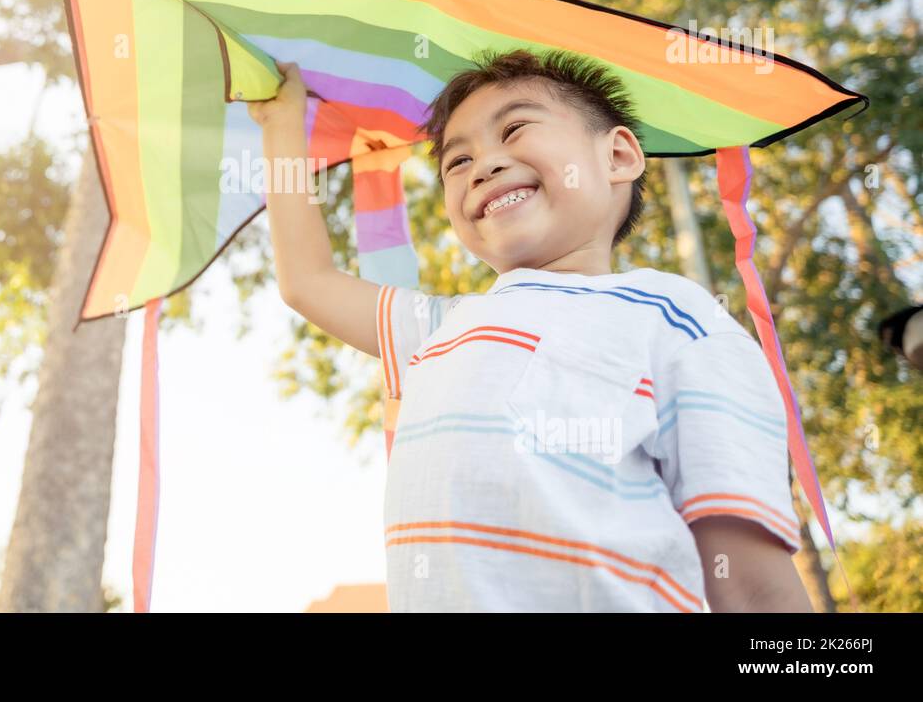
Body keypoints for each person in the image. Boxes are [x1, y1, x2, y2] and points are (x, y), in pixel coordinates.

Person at [247, 46, 813, 612]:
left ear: (617, 155)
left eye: (515, 129)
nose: (483, 166)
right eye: (456, 163)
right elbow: (306, 279)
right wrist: (281, 126)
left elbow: (750, 580)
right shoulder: (443, 329)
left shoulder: (678, 317)